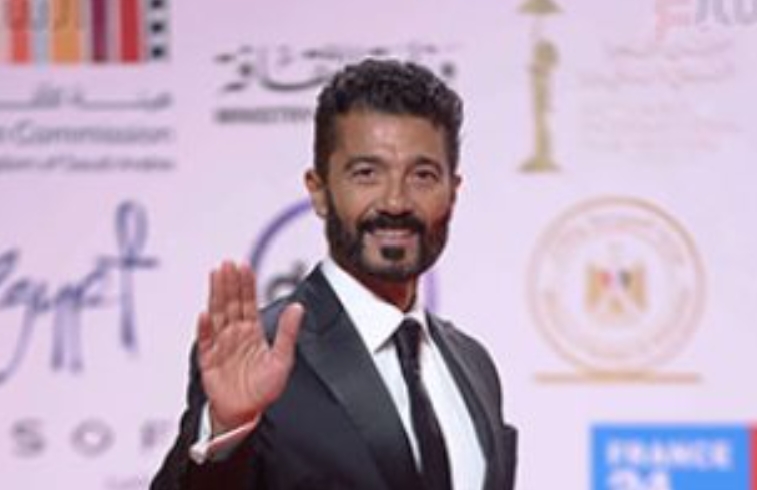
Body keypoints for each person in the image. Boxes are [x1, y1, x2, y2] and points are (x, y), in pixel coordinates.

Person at [151, 58, 517, 490]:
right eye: (366, 174)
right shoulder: (261, 352)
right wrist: (227, 432)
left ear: (452, 193)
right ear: (320, 191)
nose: (396, 202)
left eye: (422, 175)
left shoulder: (473, 365)